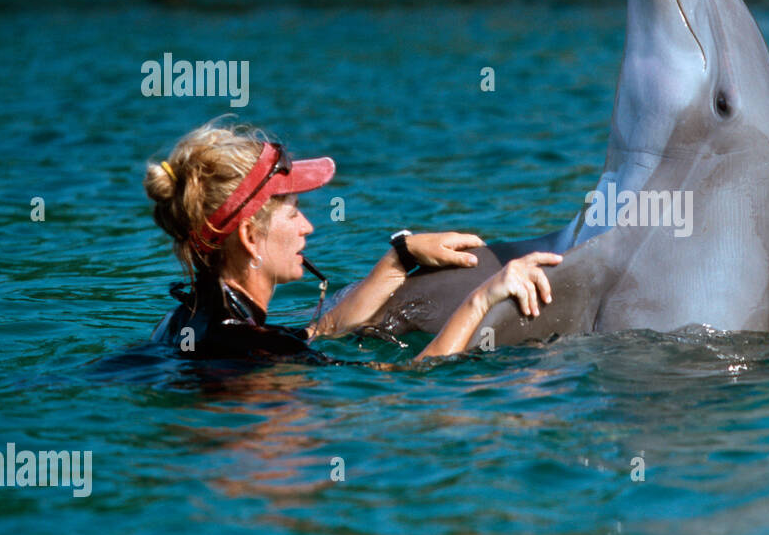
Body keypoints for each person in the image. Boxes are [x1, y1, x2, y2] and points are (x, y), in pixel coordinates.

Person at [144, 120, 560, 363]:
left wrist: (400, 255)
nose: (308, 227)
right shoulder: (251, 350)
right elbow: (413, 379)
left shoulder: (187, 319)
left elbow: (318, 331)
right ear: (250, 237)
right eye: (293, 213)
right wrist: (483, 299)